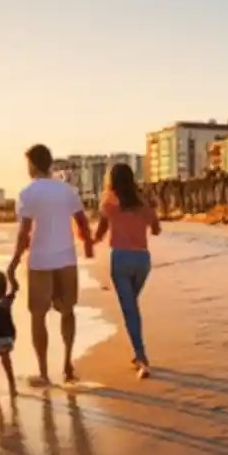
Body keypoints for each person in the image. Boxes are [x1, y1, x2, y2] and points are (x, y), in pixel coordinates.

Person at [6, 144, 94, 386]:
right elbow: (82, 223)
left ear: (33, 164)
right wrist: (87, 246)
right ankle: (67, 366)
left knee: (38, 316)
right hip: (66, 259)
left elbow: (24, 234)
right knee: (68, 311)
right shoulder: (67, 190)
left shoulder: (27, 193)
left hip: (40, 261)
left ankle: (44, 372)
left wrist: (13, 263)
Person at [93, 162, 162, 379]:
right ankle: (138, 354)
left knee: (130, 310)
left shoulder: (109, 203)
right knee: (132, 307)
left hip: (121, 259)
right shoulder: (143, 203)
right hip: (142, 260)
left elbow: (100, 234)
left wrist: (84, 239)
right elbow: (157, 230)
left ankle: (142, 358)